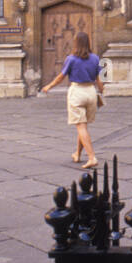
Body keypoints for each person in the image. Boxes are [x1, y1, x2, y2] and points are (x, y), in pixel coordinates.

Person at [40, 31, 104, 169]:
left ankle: (92, 157)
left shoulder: (71, 59)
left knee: (80, 126)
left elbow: (61, 77)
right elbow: (99, 80)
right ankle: (77, 154)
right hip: (91, 92)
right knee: (83, 125)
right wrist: (101, 91)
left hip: (77, 91)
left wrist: (49, 86)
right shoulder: (95, 58)